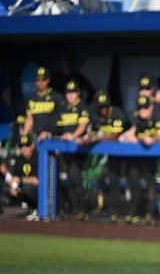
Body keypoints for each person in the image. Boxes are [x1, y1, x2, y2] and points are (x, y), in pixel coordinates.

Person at [122, 95, 160, 224]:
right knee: (133, 183)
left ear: (151, 107)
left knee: (150, 185)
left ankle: (150, 214)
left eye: (145, 108)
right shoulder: (137, 118)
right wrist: (141, 138)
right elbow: (130, 136)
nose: (143, 110)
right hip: (137, 157)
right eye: (140, 108)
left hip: (152, 159)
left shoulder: (158, 117)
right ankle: (134, 212)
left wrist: (152, 139)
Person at [87, 90, 129, 222]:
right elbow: (91, 134)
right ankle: (115, 211)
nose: (103, 110)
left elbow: (113, 136)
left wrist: (96, 138)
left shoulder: (117, 113)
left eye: (105, 106)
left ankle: (129, 212)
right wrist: (84, 139)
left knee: (130, 181)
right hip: (112, 155)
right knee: (112, 180)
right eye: (100, 107)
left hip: (129, 153)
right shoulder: (96, 116)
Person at [55, 79, 91, 218]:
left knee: (76, 179)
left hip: (79, 151)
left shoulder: (82, 107)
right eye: (68, 93)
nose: (70, 95)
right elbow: (59, 128)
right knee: (69, 181)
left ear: (78, 93)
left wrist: (72, 135)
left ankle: (83, 209)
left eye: (73, 92)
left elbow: (83, 127)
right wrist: (55, 135)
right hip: (66, 151)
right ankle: (74, 209)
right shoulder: (63, 108)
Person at [22, 66, 62, 141]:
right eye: (38, 80)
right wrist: (24, 136)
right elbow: (29, 118)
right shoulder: (31, 98)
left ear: (48, 80)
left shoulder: (57, 97)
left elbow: (62, 119)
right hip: (37, 136)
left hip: (53, 136)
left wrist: (52, 133)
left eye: (43, 79)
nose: (40, 82)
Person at [4, 133, 39, 220]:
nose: (24, 149)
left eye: (26, 146)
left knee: (27, 189)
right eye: (21, 146)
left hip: (39, 190)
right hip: (25, 186)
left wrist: (20, 180)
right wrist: (13, 187)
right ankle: (31, 207)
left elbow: (37, 181)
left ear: (32, 146)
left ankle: (37, 207)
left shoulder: (37, 157)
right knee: (6, 189)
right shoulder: (19, 159)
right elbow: (15, 177)